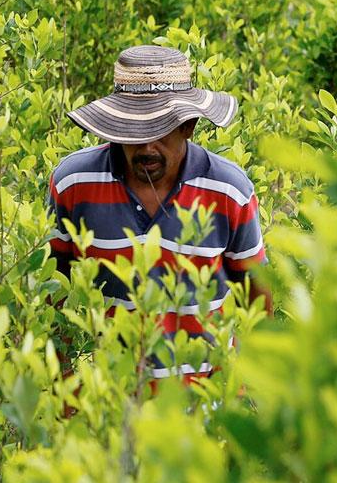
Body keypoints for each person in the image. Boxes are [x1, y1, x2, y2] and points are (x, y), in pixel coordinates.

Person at [47, 44, 270, 383]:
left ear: (188, 126)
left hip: (202, 409)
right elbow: (54, 291)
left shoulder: (228, 190)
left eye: (160, 130)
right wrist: (65, 392)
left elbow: (257, 294)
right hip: (104, 406)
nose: (146, 146)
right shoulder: (74, 183)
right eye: (133, 131)